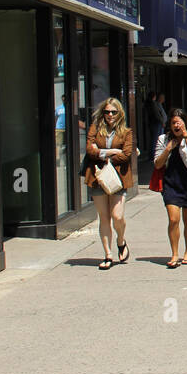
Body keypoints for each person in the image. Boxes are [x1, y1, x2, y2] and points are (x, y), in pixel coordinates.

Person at [84, 97, 134, 270]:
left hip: (119, 178)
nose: (110, 115)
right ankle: (108, 255)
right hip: (98, 178)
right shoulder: (95, 128)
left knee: (117, 216)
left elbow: (126, 154)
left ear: (119, 113)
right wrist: (110, 152)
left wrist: (101, 153)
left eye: (113, 112)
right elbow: (90, 150)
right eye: (107, 112)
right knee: (104, 217)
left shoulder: (126, 131)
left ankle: (121, 240)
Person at [155, 109, 187, 267]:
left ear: (185, 122)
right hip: (171, 182)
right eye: (173, 122)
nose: (176, 125)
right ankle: (174, 254)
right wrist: (168, 148)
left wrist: (185, 135)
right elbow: (157, 164)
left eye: (179, 122)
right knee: (173, 219)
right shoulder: (163, 139)